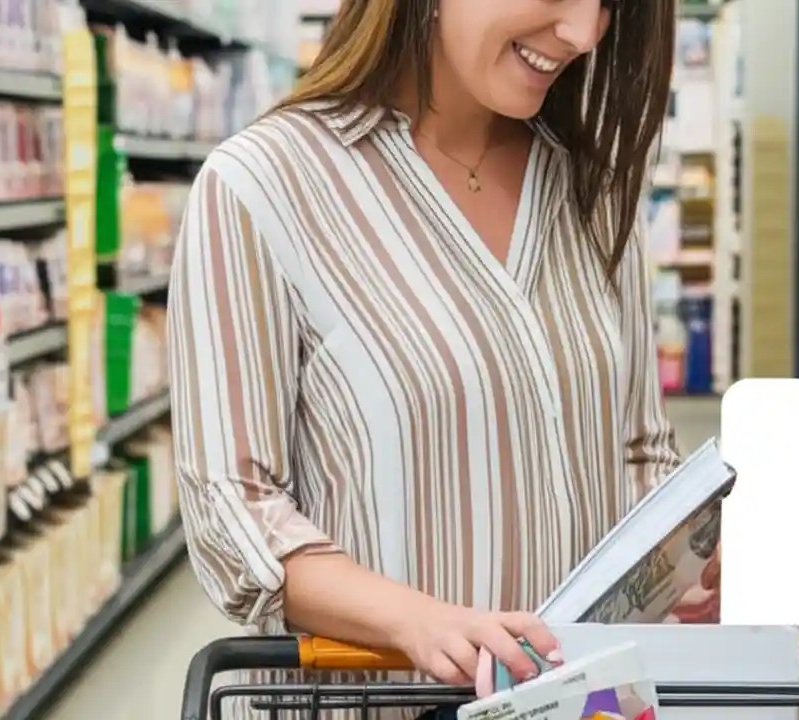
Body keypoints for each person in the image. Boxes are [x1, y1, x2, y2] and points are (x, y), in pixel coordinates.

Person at [168, 0, 700, 714]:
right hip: (380, 702)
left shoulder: (595, 193)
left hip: (583, 702)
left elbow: (638, 448)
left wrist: (686, 555)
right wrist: (415, 619)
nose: (583, 33)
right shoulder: (263, 187)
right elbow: (235, 510)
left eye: (607, 5)